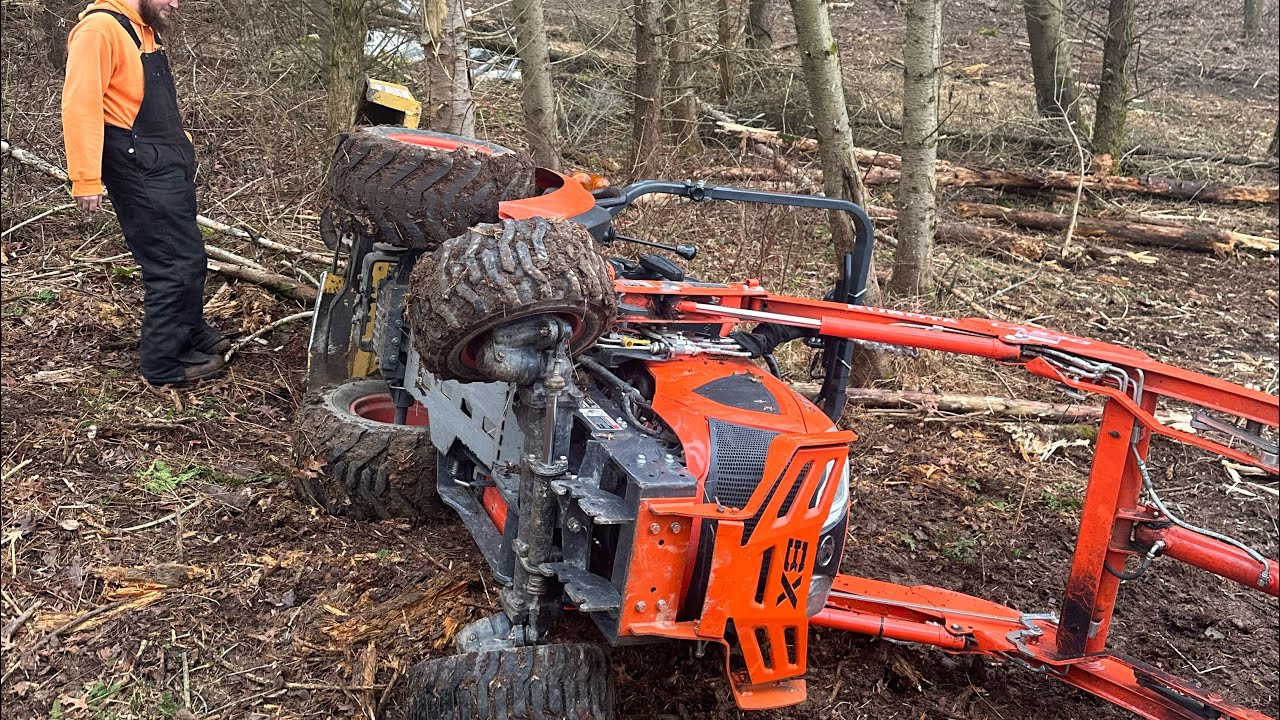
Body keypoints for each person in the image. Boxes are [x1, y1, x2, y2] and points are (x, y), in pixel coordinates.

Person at [61, 0, 228, 386]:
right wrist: (85, 178)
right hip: (139, 167)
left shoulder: (141, 29)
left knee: (189, 255)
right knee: (171, 265)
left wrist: (181, 145)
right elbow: (80, 105)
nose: (177, 3)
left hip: (164, 164)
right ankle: (164, 362)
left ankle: (189, 331)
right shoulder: (99, 30)